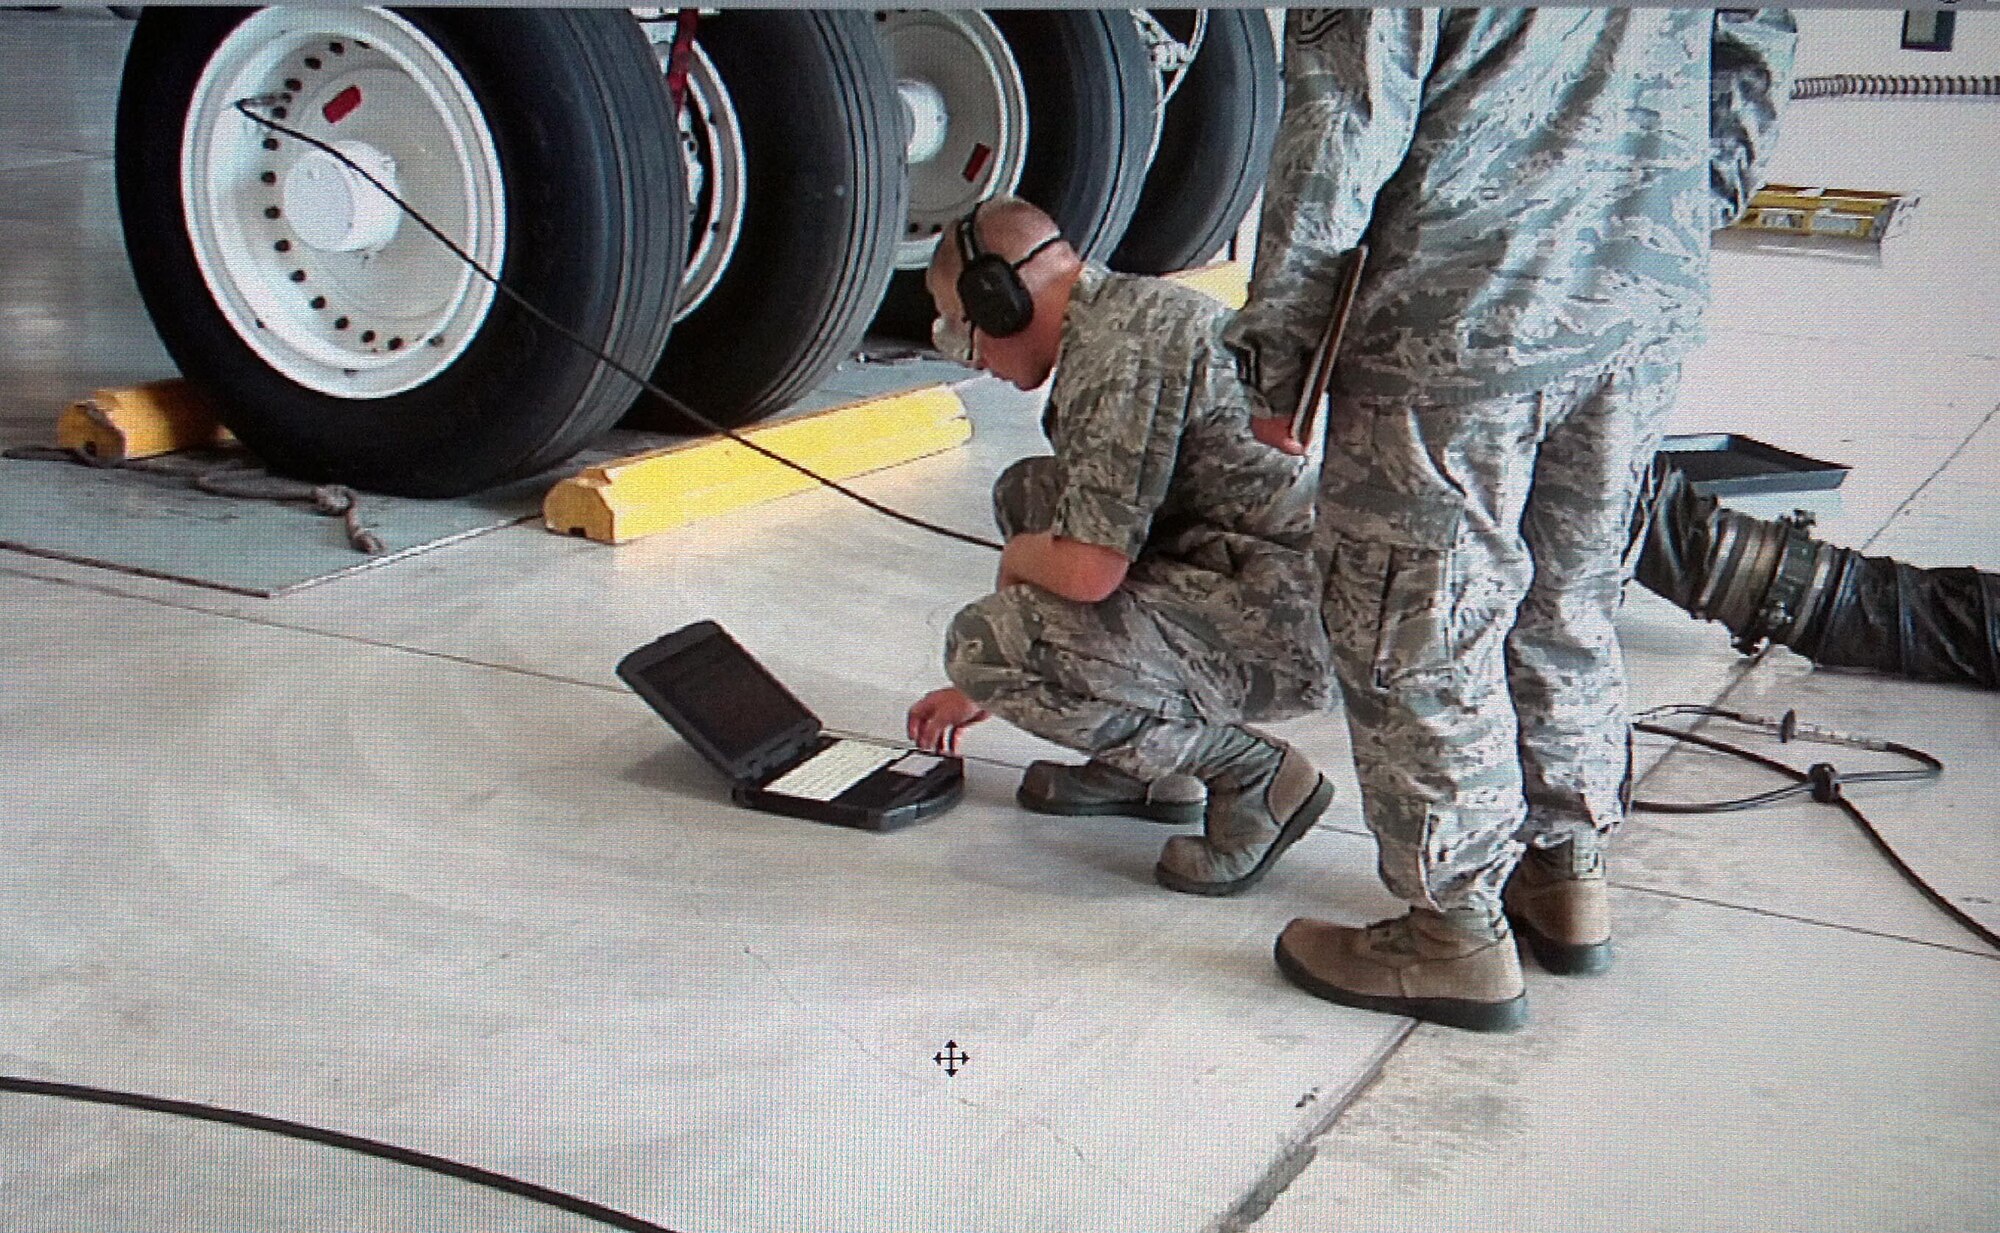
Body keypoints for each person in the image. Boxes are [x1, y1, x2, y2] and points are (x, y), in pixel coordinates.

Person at [1220, 9, 1799, 1031]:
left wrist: (1282, 349)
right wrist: (1673, 209)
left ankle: (1450, 928)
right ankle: (1561, 867)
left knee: (1416, 612)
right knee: (1567, 586)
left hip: (1463, 302)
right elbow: (1754, 39)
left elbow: (1342, 116)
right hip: (1634, 290)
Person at [906, 196, 1337, 895]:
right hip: (1249, 568)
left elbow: (1087, 571)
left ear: (1001, 300)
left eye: (966, 330)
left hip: (1294, 618)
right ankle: (1145, 767)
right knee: (1031, 495)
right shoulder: (1116, 316)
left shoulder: (1117, 356)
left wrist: (1002, 610)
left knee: (985, 640)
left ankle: (1252, 776)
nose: (974, 357)